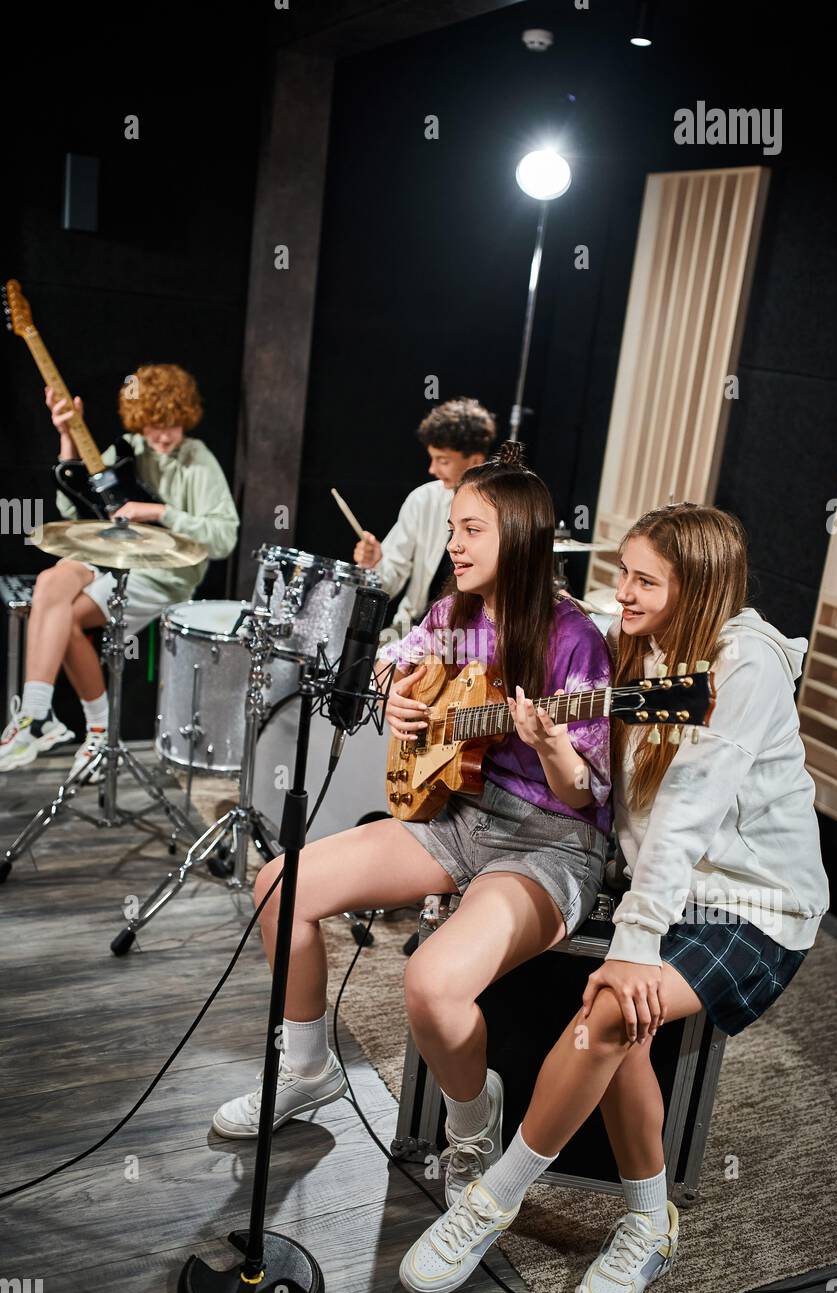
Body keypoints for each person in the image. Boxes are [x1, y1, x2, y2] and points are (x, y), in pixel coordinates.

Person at [398, 502, 830, 1293]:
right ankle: (649, 1220)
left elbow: (686, 816)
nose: (621, 592)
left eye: (643, 581)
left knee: (606, 1012)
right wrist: (417, 676)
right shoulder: (638, 640)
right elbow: (535, 621)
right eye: (621, 572)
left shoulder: (745, 670)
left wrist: (632, 943)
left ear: (696, 590)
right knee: (627, 1031)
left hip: (751, 903)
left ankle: (493, 1199)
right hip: (662, 888)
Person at [212, 448, 613, 1220]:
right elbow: (401, 659)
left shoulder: (573, 641)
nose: (454, 545)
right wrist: (399, 693)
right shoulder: (456, 615)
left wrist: (552, 743)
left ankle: (472, 1127)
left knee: (429, 983)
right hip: (455, 812)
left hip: (549, 840)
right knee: (279, 884)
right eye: (454, 528)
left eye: (471, 530)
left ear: (523, 539)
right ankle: (306, 1069)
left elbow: (581, 791)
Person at [0, 365, 239, 779]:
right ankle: (36, 716)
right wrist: (66, 438)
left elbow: (224, 537)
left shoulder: (198, 460)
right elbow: (74, 511)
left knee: (67, 620)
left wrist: (161, 512)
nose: (163, 436)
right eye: (153, 426)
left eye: (172, 425)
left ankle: (91, 729)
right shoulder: (127, 449)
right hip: (111, 559)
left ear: (185, 418)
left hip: (165, 575)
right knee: (50, 581)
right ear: (139, 420)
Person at [353, 397, 497, 639]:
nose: (432, 469)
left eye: (443, 461)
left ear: (474, 460)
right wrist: (374, 564)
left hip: (472, 637)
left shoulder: (497, 510)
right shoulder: (423, 500)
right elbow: (386, 584)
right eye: (432, 459)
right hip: (412, 630)